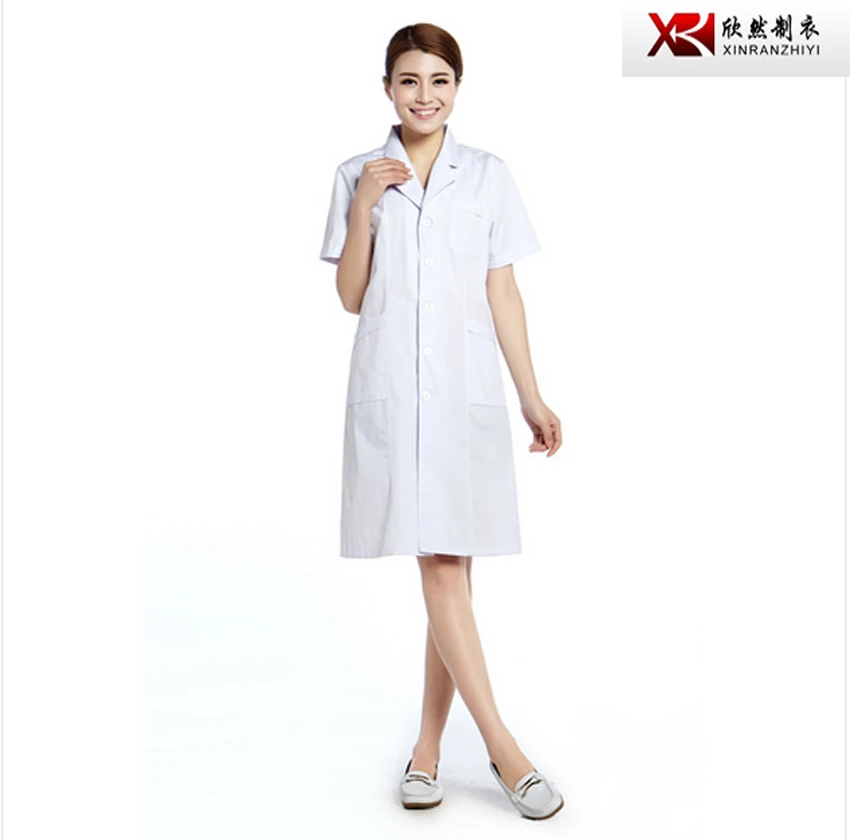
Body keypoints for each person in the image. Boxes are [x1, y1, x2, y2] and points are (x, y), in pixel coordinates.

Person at [319, 23, 564, 820]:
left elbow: (503, 292)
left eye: (439, 81)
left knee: (449, 571)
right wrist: (366, 205)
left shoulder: (488, 175)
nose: (424, 96)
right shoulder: (356, 175)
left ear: (457, 87)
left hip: (465, 397)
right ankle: (504, 750)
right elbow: (350, 296)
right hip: (394, 395)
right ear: (387, 88)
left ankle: (426, 752)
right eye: (409, 80)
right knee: (444, 568)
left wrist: (531, 395)